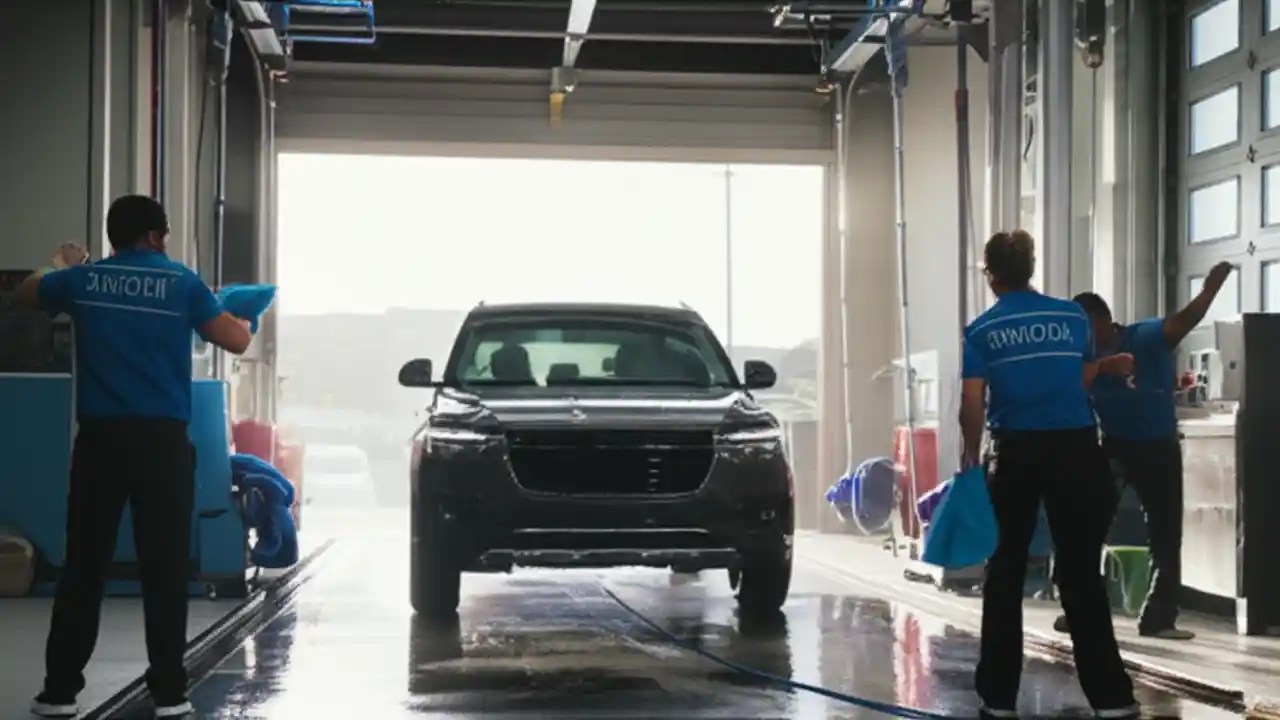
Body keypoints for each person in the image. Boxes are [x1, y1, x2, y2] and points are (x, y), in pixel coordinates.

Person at [14, 195, 253, 719]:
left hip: (100, 442)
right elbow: (234, 340)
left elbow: (26, 294)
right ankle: (169, 693)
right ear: (156, 236)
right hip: (161, 444)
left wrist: (60, 261)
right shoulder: (182, 283)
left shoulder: (84, 280)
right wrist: (246, 317)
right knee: (165, 568)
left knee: (83, 567)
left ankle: (59, 692)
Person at [961, 230, 1138, 719]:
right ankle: (1112, 698)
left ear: (991, 276)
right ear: (1032, 267)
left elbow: (972, 402)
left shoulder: (981, 330)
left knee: (1005, 574)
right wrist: (1106, 366)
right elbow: (1080, 377)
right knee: (1081, 573)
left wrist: (970, 458)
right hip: (1076, 449)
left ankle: (998, 699)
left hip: (1015, 452)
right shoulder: (1072, 317)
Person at [1051, 260, 1235, 641]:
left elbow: (1182, 322)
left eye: (1086, 328)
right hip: (1113, 444)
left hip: (1157, 446)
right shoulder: (1084, 358)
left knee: (1165, 533)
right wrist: (1105, 365)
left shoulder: (1145, 337)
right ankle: (1080, 609)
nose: (1082, 337)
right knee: (1088, 526)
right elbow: (1068, 380)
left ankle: (1159, 618)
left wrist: (1210, 290)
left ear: (1105, 321)